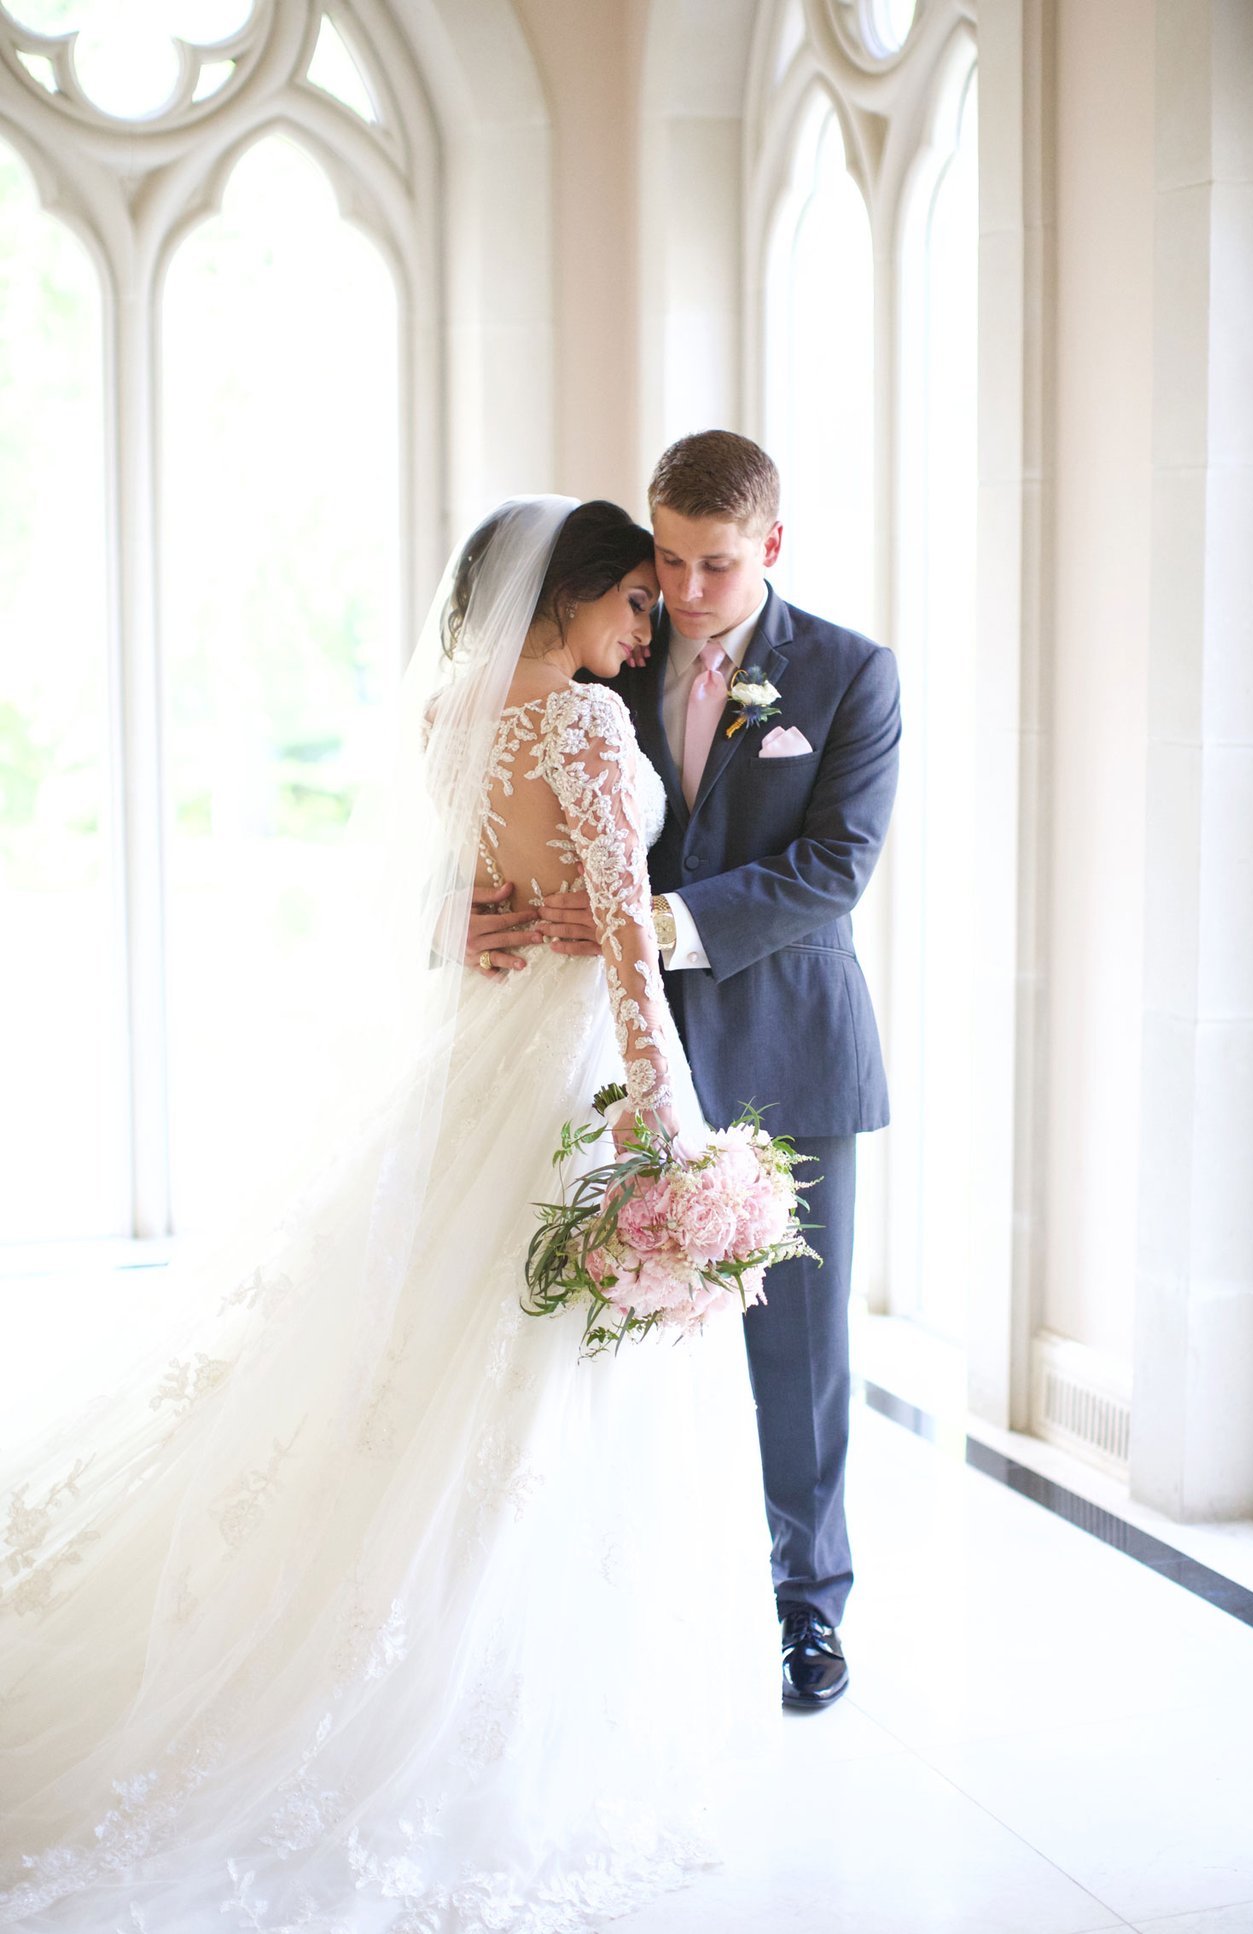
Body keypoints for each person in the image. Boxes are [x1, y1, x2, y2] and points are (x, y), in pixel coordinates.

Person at [0, 497, 775, 1932]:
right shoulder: (591, 731)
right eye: (629, 609)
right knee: (535, 1379)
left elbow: (460, 899)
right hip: (562, 1070)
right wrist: (678, 1136)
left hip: (473, 1052)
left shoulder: (450, 720)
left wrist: (467, 926)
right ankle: (480, 1687)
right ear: (585, 592)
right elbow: (618, 942)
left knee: (426, 1361)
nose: (639, 635)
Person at [471, 433, 901, 1712]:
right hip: (600, 1048)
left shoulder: (847, 674)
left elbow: (834, 864)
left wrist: (649, 927)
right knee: (585, 1333)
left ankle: (806, 1611)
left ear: (768, 545)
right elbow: (518, 806)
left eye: (715, 563)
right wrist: (471, 915)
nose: (687, 589)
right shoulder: (613, 643)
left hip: (789, 1042)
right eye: (666, 557)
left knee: (801, 1354)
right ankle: (611, 1614)